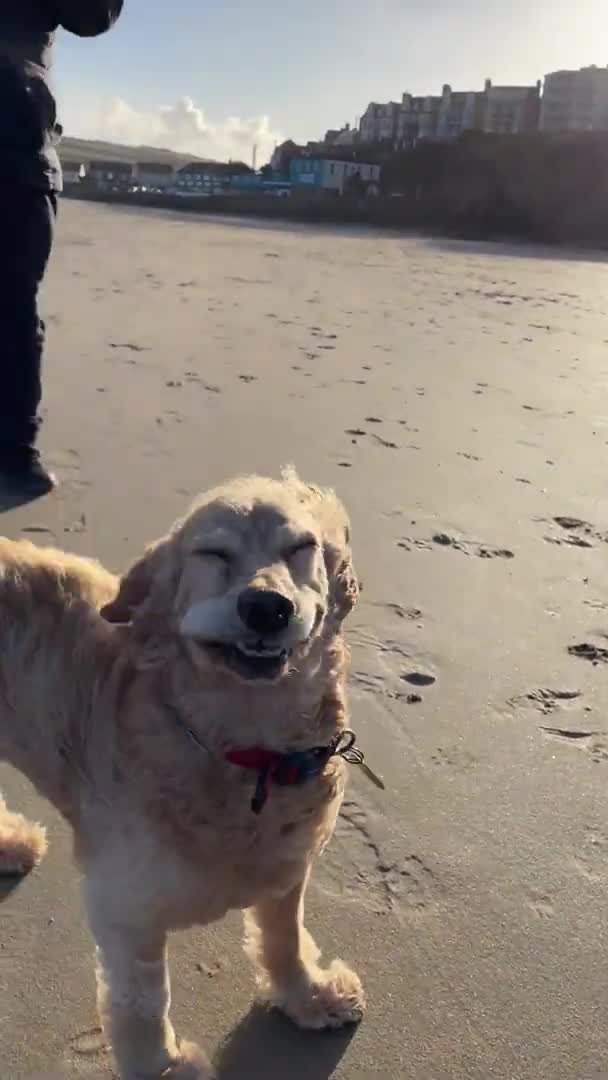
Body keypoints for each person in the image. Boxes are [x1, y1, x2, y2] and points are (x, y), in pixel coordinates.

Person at [0, 2, 124, 497]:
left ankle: (14, 451)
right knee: (15, 312)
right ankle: (14, 453)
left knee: (14, 310)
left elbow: (92, 13)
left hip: (18, 151)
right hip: (21, 149)